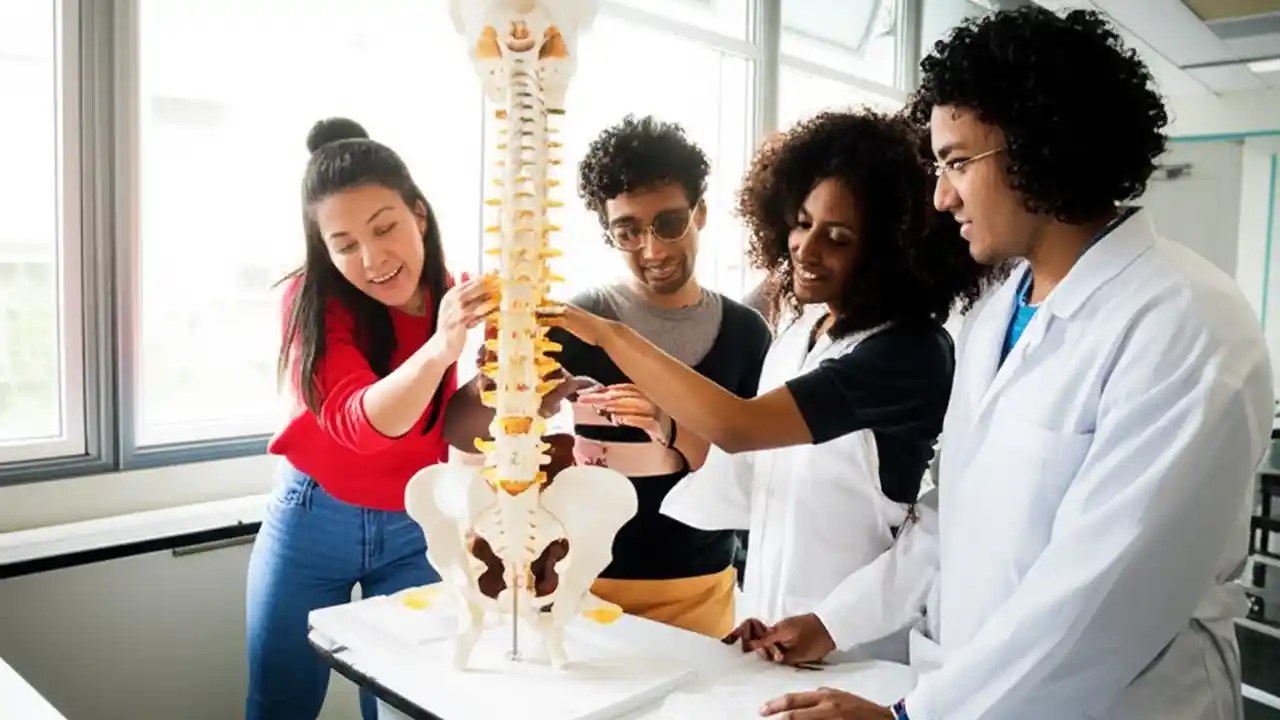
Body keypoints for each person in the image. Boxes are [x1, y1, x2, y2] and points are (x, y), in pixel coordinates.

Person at [755, 8, 1274, 720]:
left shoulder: (1186, 324)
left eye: (959, 162)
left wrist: (914, 717)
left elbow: (1103, 594)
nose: (941, 196)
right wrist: (836, 620)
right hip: (973, 688)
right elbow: (954, 516)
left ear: (1040, 148)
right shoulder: (995, 313)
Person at [553, 109, 996, 661]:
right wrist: (666, 430)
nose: (806, 251)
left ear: (888, 249)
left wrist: (611, 335)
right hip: (774, 631)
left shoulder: (908, 353)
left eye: (837, 238)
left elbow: (739, 429)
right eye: (801, 223)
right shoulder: (802, 334)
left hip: (857, 645)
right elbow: (752, 482)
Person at [444, 114, 772, 639]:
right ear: (608, 233)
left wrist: (670, 428)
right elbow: (464, 432)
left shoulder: (746, 334)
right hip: (587, 591)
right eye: (628, 231)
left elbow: (758, 475)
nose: (653, 249)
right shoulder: (578, 320)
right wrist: (500, 386)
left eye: (669, 223)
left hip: (701, 589)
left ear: (701, 213)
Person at [245, 118, 500, 720]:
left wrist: (501, 376)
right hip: (312, 522)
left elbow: (445, 422)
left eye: (385, 228)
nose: (373, 258)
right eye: (345, 244)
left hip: (416, 523)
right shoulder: (310, 300)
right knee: (281, 701)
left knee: (405, 704)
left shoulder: (455, 293)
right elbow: (360, 422)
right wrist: (440, 348)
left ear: (420, 213)